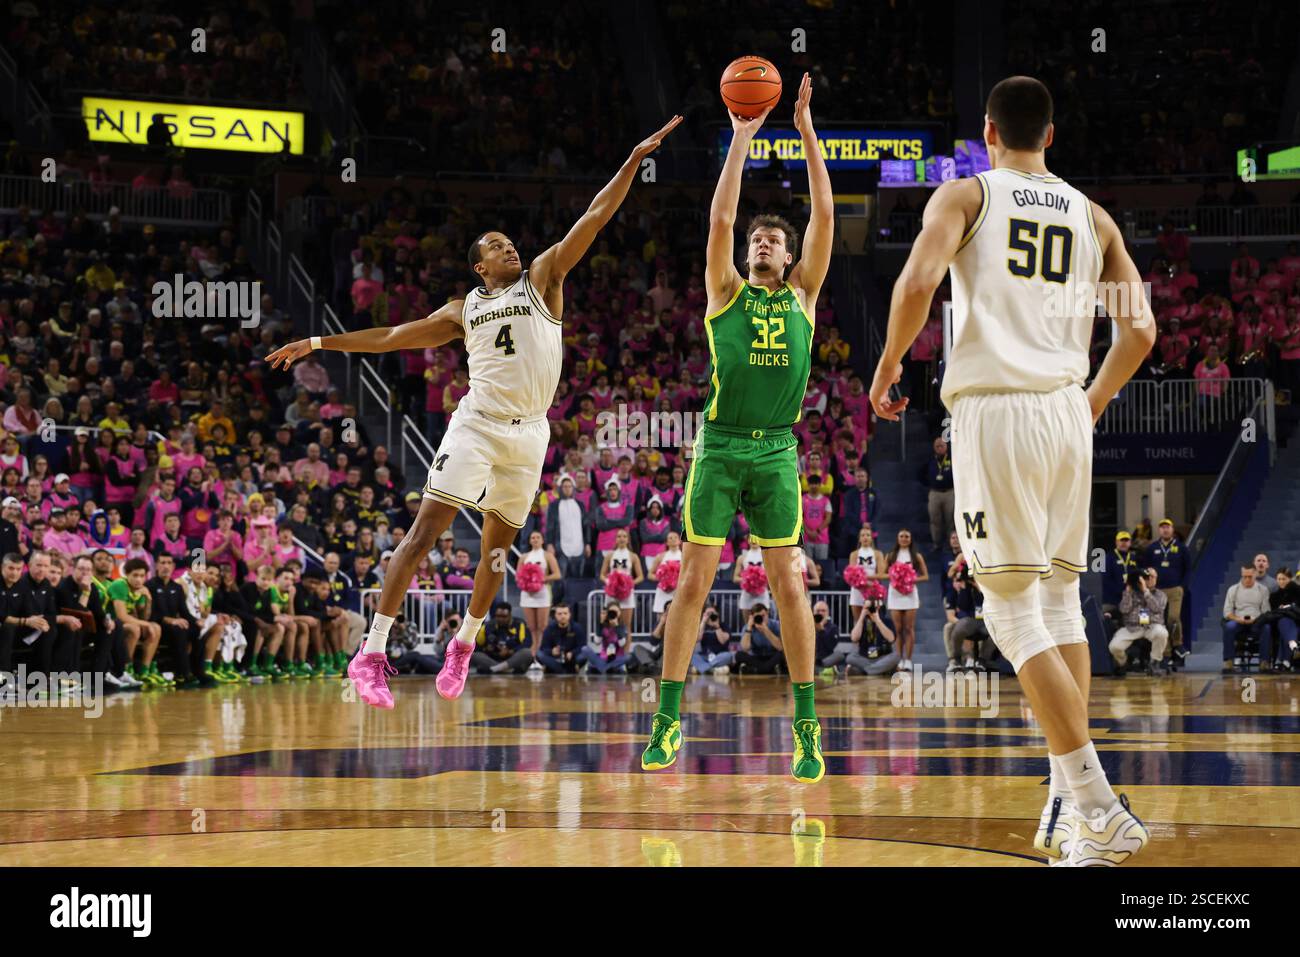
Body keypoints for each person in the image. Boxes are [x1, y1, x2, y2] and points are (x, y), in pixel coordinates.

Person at [268, 115, 681, 710]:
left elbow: (593, 217)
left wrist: (632, 161)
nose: (507, 245)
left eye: (507, 240)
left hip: (531, 434)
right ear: (479, 267)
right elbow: (390, 337)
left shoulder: (543, 277)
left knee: (495, 553)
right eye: (494, 246)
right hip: (478, 425)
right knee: (423, 533)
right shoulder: (462, 309)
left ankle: (463, 643)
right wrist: (317, 343)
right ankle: (373, 654)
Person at [870, 77, 1155, 864]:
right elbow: (1140, 331)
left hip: (997, 410)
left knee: (1007, 611)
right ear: (1050, 137)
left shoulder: (966, 195)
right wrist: (1089, 404)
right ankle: (1070, 800)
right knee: (1061, 604)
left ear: (988, 132)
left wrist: (889, 364)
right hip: (1067, 411)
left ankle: (1097, 802)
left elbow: (920, 281)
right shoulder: (1094, 217)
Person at [641, 75, 831, 783]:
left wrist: (807, 132)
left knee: (790, 583)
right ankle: (666, 721)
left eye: (775, 239)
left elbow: (824, 217)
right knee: (693, 582)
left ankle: (806, 729)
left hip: (778, 449)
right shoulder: (725, 291)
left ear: (789, 257)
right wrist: (744, 137)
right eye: (759, 236)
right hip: (719, 448)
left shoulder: (806, 296)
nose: (765, 241)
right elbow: (720, 221)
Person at [1143, 518, 1190, 663]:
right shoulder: (1152, 548)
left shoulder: (1182, 548)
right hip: (1157, 590)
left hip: (1175, 589)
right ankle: (1167, 653)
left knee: (1173, 618)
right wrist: (1149, 586)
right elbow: (1145, 568)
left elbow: (1188, 569)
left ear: (1172, 529)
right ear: (1159, 530)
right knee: (1160, 622)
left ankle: (1178, 644)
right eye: (1162, 527)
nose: (1165, 529)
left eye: (1167, 527)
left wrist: (1183, 586)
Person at [1108, 568, 1169, 676]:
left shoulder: (1161, 595)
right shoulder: (1131, 593)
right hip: (1132, 627)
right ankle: (1123, 663)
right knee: (1114, 646)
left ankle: (1154, 663)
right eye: (1146, 577)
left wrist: (1146, 591)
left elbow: (1157, 609)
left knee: (1162, 633)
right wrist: (1128, 591)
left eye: (1152, 577)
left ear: (1156, 579)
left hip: (1151, 626)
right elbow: (1124, 610)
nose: (1149, 579)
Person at [883, 529, 928, 671]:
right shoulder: (890, 556)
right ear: (897, 539)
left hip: (910, 594)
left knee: (908, 628)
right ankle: (899, 659)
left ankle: (908, 660)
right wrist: (896, 578)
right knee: (898, 629)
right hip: (895, 594)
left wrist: (910, 579)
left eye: (907, 536)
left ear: (911, 539)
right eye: (901, 536)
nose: (904, 538)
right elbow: (884, 574)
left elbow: (925, 576)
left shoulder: (916, 556)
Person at [1222, 563, 1271, 673]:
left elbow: (1266, 612)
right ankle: (1228, 662)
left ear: (1255, 575)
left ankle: (1264, 662)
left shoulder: (1263, 590)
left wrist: (1256, 620)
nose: (1247, 579)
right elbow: (1227, 612)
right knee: (1229, 627)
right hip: (1238, 620)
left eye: (1250, 577)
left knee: (1266, 628)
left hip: (1256, 621)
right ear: (1241, 574)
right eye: (1245, 576)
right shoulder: (1233, 589)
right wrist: (1238, 619)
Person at [517, 529, 562, 642]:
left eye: (538, 537)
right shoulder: (523, 557)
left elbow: (557, 574)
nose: (535, 539)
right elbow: (518, 576)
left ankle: (540, 649)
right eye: (533, 538)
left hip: (543, 592)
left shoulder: (548, 555)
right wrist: (527, 583)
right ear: (529, 541)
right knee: (532, 627)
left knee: (542, 626)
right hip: (527, 594)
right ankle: (534, 650)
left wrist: (542, 579)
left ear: (542, 540)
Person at [598, 527, 644, 634]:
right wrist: (608, 582)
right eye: (619, 536)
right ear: (615, 539)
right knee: (610, 622)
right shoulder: (609, 555)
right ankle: (611, 649)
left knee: (626, 626)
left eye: (624, 536)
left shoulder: (633, 556)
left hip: (626, 594)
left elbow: (640, 576)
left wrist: (628, 584)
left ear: (628, 539)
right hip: (612, 593)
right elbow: (602, 574)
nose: (622, 539)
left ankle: (626, 651)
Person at [536, 604, 586, 674]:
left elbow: (582, 646)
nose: (563, 616)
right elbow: (544, 647)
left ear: (569, 615)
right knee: (538, 653)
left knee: (584, 653)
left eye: (565, 613)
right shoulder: (549, 628)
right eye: (559, 614)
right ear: (555, 615)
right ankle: (561, 669)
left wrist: (572, 653)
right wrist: (552, 651)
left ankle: (561, 668)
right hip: (555, 658)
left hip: (572, 658)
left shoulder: (577, 628)